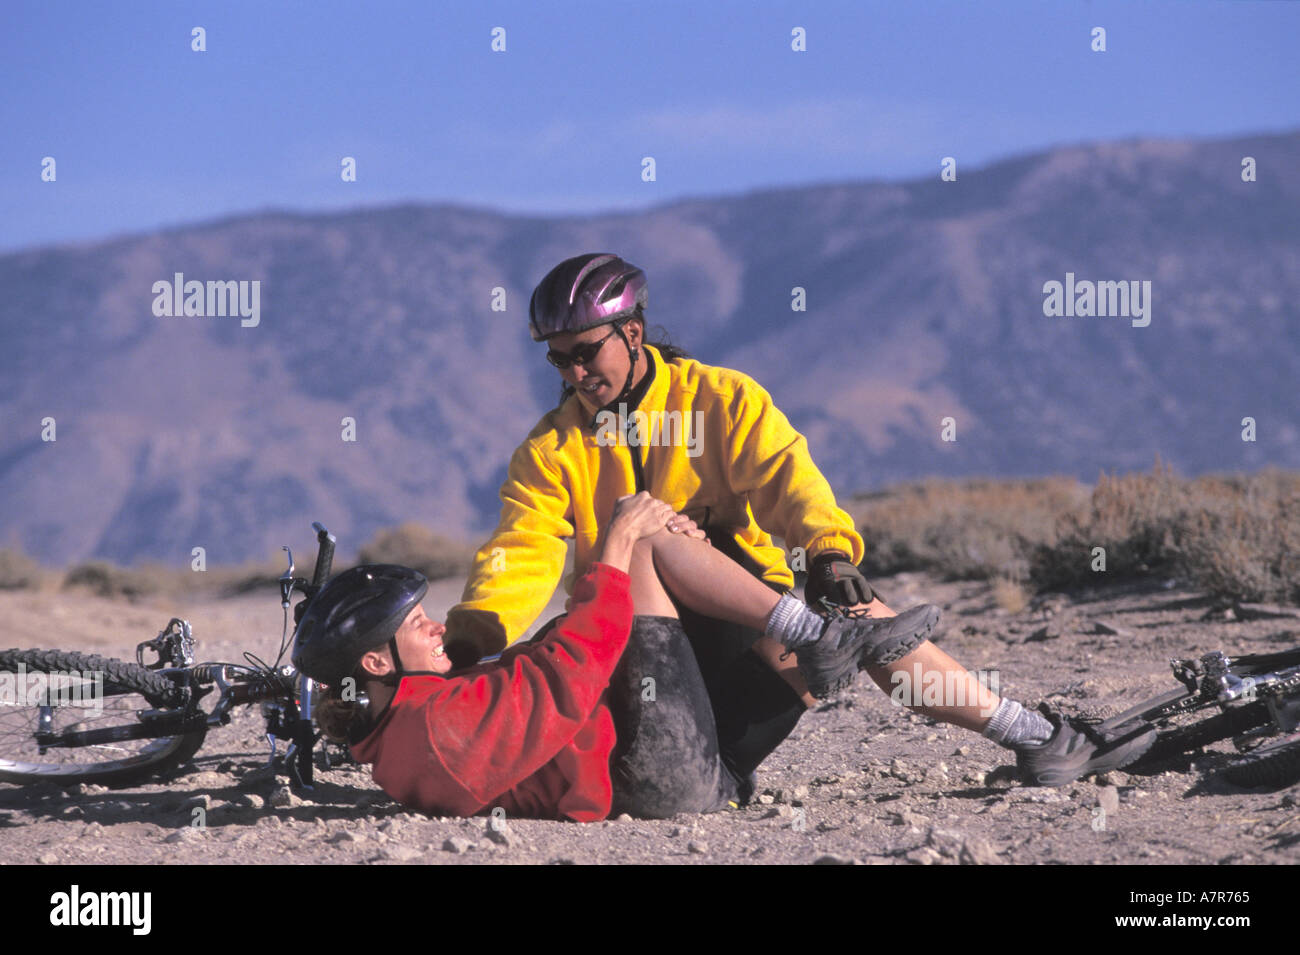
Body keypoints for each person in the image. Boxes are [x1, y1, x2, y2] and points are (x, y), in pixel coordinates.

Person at [442, 252, 1136, 792]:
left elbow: (788, 477)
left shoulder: (719, 399)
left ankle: (1037, 737)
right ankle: (719, 761)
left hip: (746, 631)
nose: (571, 370)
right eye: (556, 356)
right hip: (639, 654)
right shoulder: (549, 447)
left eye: (585, 350)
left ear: (632, 331)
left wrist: (828, 553)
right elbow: (521, 550)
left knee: (860, 618)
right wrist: (474, 633)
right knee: (653, 534)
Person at [293, 493, 1158, 821]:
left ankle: (1038, 735)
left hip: (673, 754)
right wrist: (623, 541)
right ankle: (822, 638)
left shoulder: (412, 719)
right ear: (375, 664)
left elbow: (543, 682)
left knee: (848, 617)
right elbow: (561, 682)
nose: (436, 626)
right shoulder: (435, 728)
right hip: (654, 774)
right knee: (645, 552)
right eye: (415, 625)